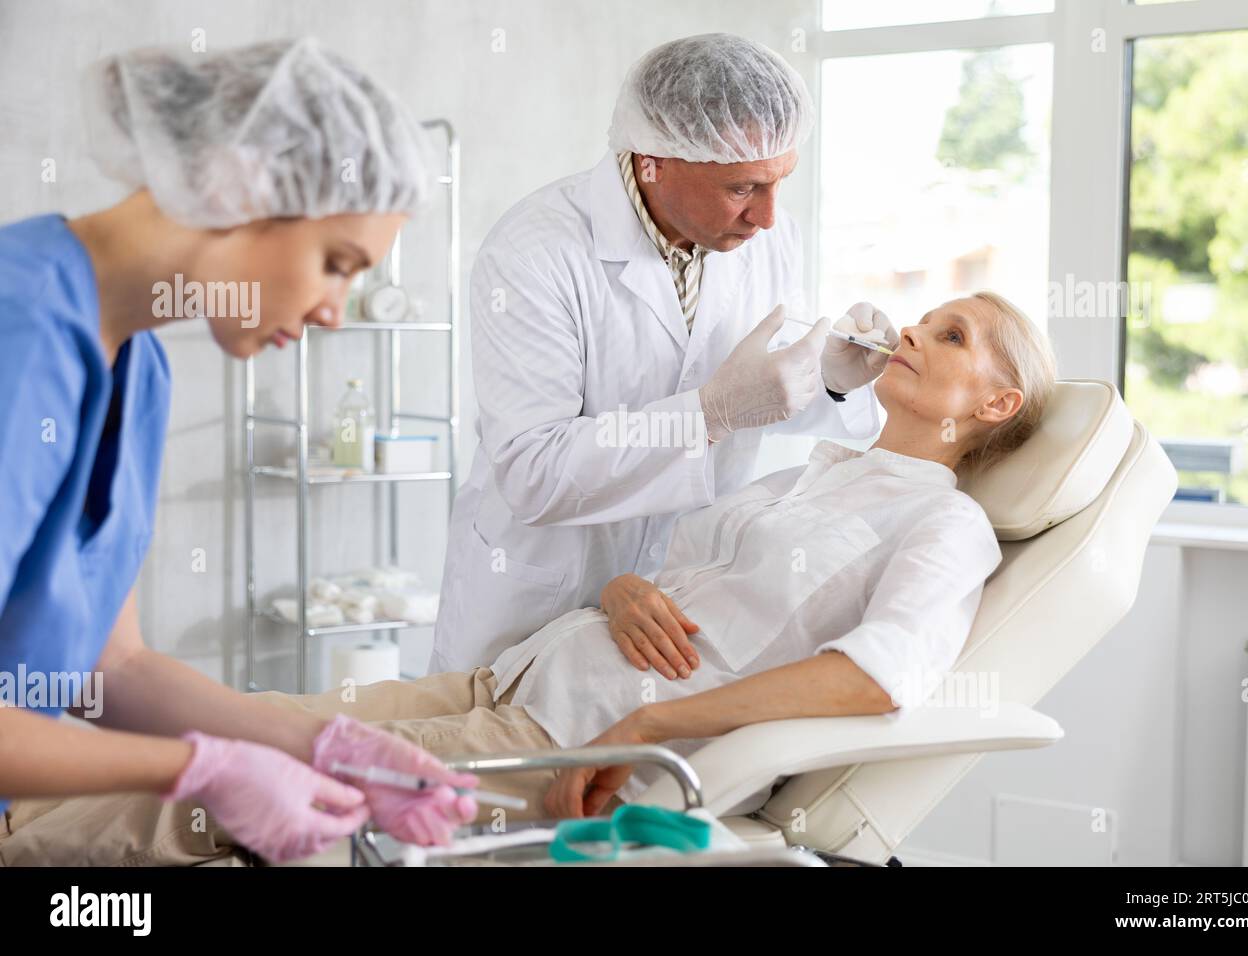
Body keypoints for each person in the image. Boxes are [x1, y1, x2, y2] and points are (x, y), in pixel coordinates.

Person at [0, 292, 1056, 865]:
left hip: (564, 738)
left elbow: (873, 676)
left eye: (953, 335)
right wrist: (618, 590)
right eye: (927, 316)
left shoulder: (947, 526)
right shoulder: (812, 467)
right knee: (258, 718)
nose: (913, 329)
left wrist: (646, 724)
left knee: (230, 798)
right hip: (503, 681)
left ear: (997, 404)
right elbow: (673, 582)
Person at [0, 38, 478, 865]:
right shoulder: (21, 324)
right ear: (237, 187)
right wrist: (203, 770)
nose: (334, 312)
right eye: (336, 264)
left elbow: (111, 669)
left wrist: (323, 743)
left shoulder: (137, 365)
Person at [432, 33, 902, 673]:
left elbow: (758, 385)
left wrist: (831, 380)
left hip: (680, 591)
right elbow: (532, 471)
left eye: (779, 182)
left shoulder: (768, 238)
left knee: (640, 761)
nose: (766, 217)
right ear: (654, 160)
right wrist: (709, 413)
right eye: (743, 188)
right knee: (507, 759)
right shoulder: (534, 253)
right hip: (542, 590)